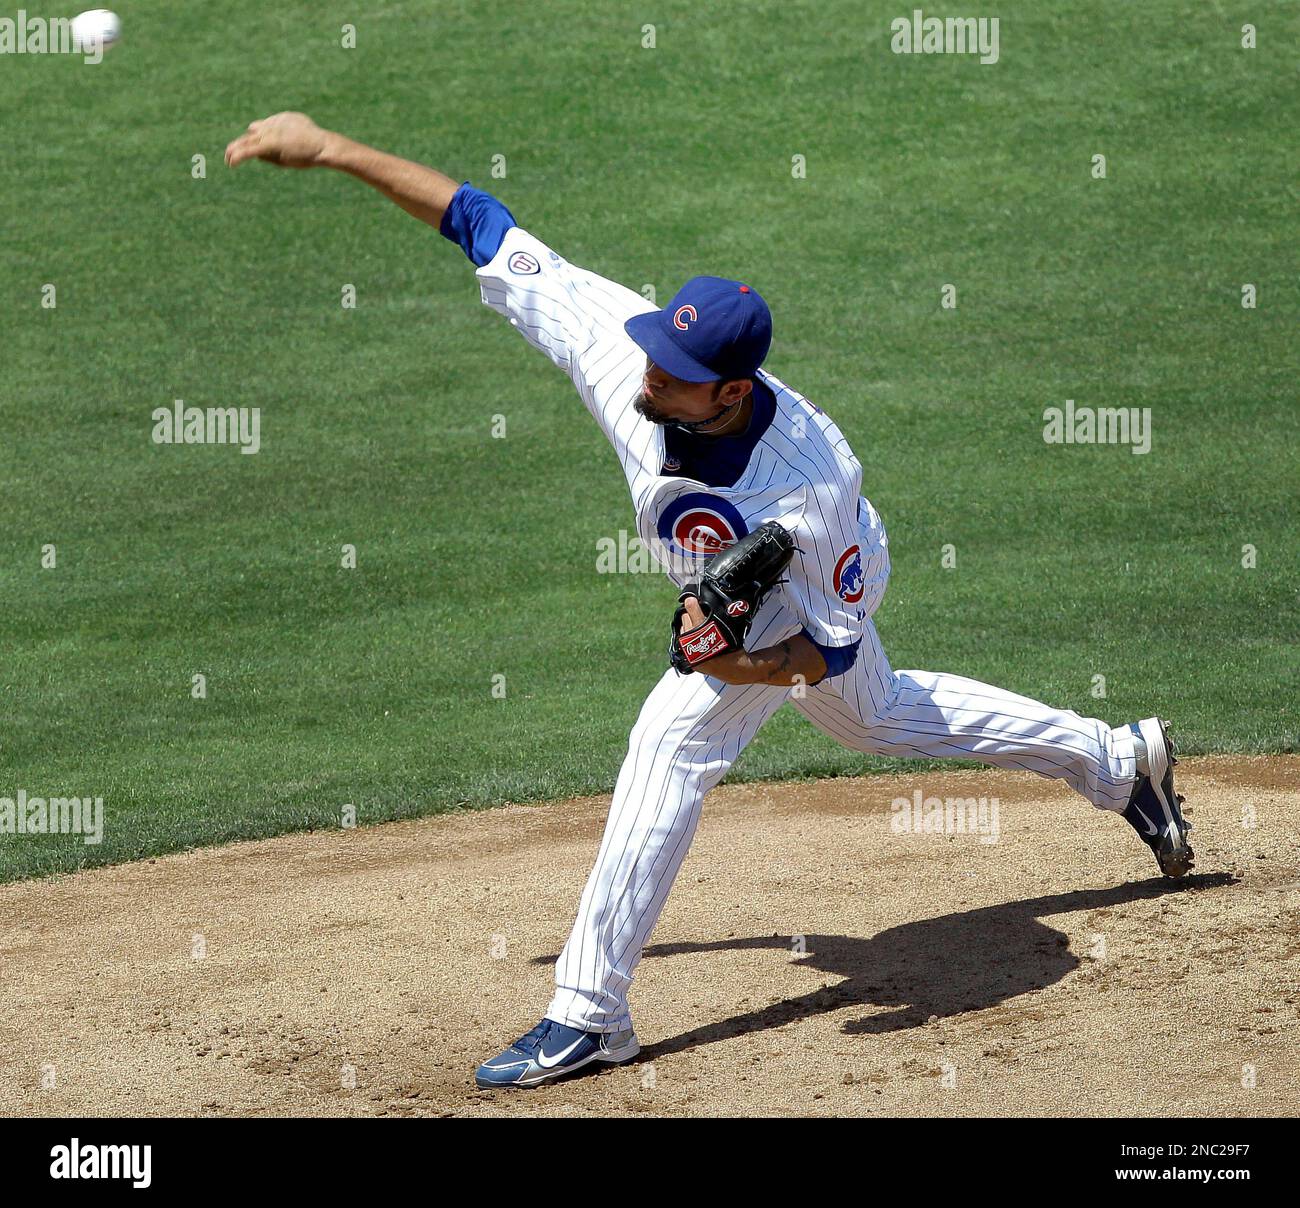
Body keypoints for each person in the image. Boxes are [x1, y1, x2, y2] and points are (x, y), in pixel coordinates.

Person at [225, 113, 1194, 1091]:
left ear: (730, 389)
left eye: (676, 377)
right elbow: (480, 221)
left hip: (813, 600)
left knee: (672, 740)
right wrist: (332, 149)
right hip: (750, 600)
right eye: (652, 355)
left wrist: (741, 662)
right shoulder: (625, 357)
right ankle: (1118, 759)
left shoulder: (812, 489)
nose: (647, 375)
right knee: (879, 722)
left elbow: (830, 650)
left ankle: (589, 1012)